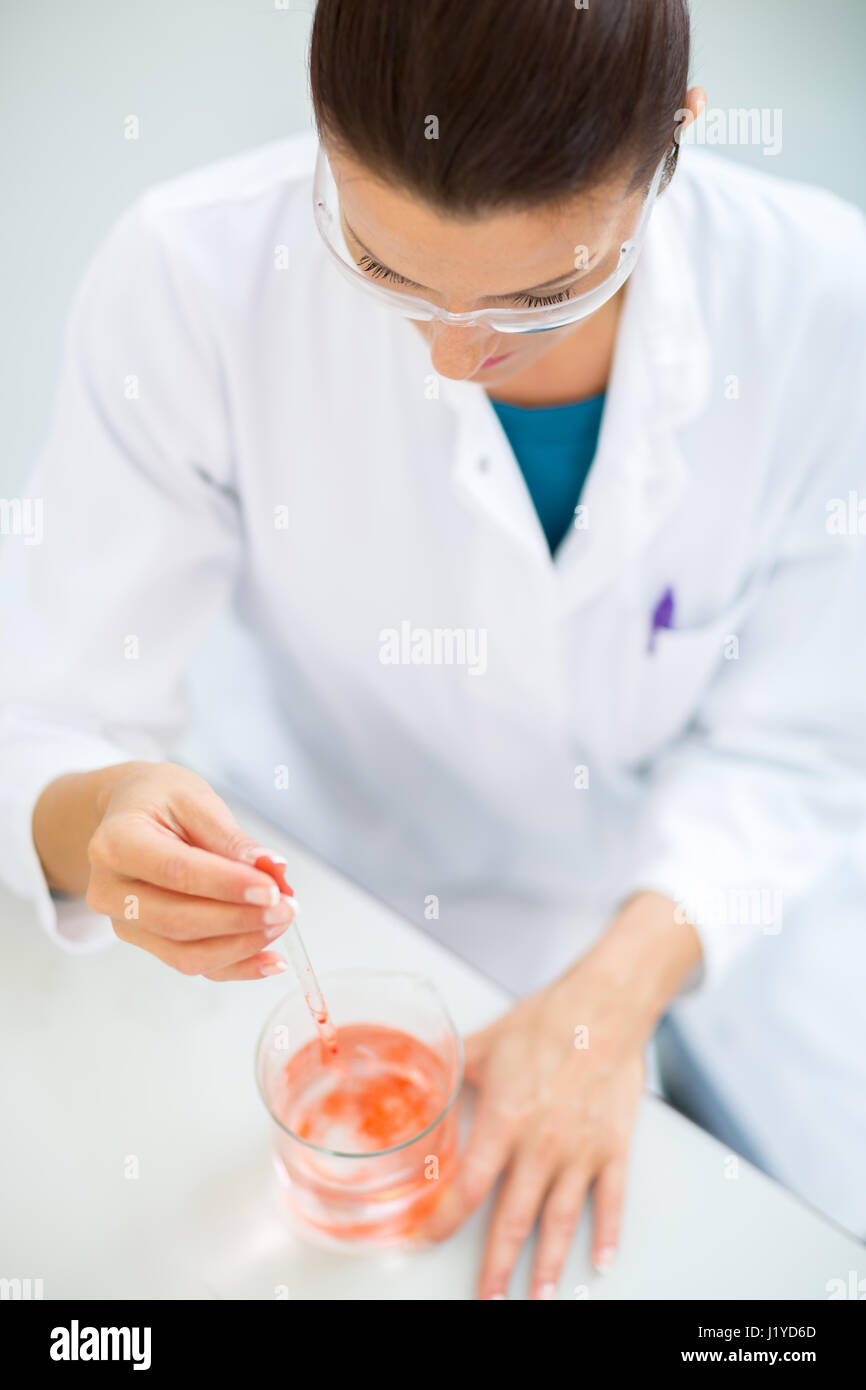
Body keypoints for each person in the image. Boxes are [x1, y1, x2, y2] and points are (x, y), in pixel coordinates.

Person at [1, 0, 865, 1298]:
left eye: (544, 292)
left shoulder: (818, 309)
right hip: (381, 897)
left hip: (738, 913)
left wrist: (612, 996)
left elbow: (803, 742)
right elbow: (45, 711)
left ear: (673, 143)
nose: (458, 356)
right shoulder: (186, 280)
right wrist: (94, 817)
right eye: (382, 270)